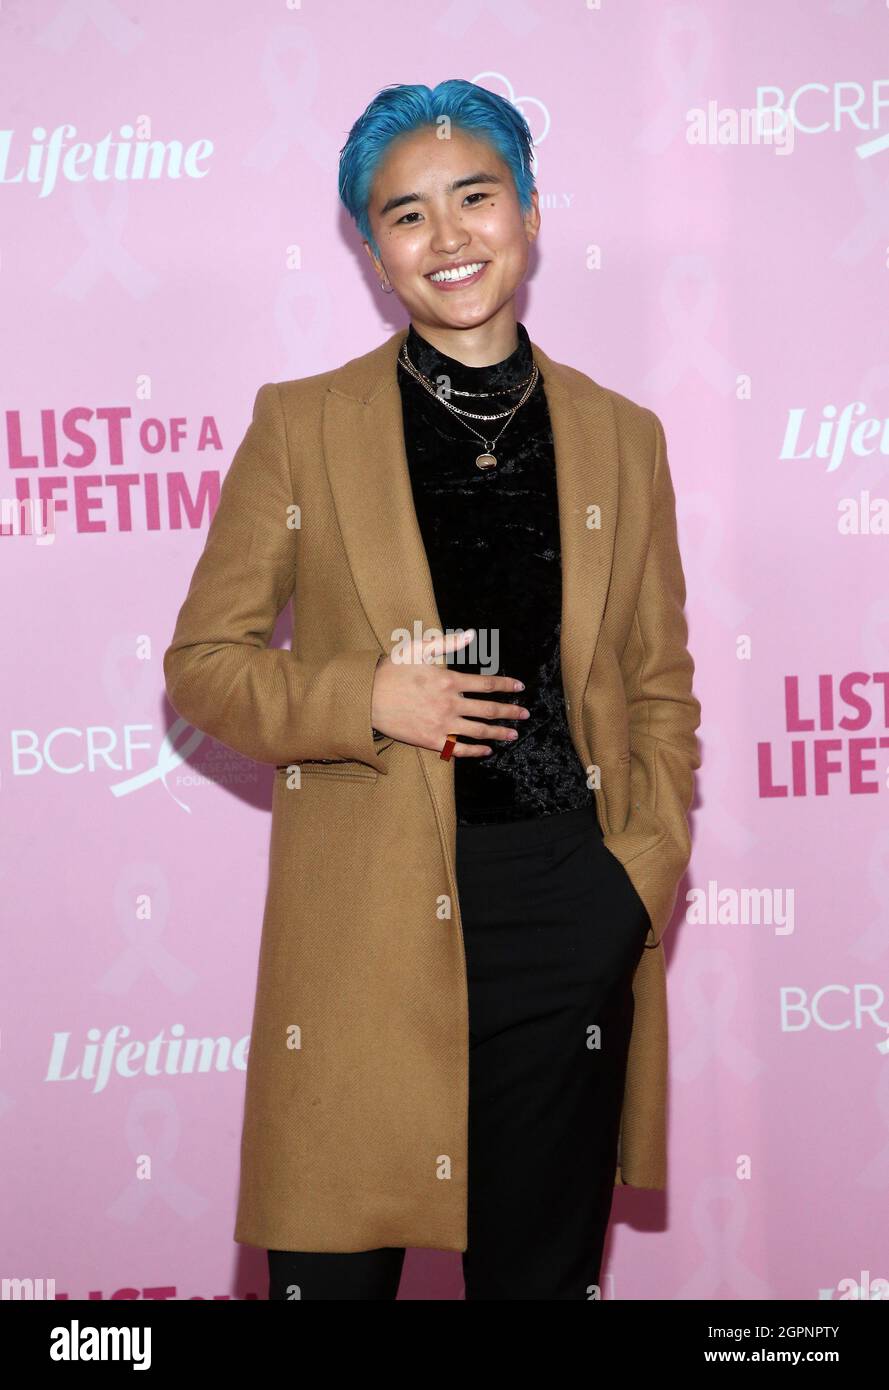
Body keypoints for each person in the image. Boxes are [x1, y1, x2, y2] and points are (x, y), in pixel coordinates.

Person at [164, 79, 702, 1301]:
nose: (447, 237)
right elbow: (205, 663)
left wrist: (640, 874)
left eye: (475, 197)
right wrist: (366, 697)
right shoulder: (303, 426)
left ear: (528, 211)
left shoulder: (625, 434)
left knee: (538, 1281)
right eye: (405, 214)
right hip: (365, 920)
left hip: (568, 912)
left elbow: (657, 683)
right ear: (370, 248)